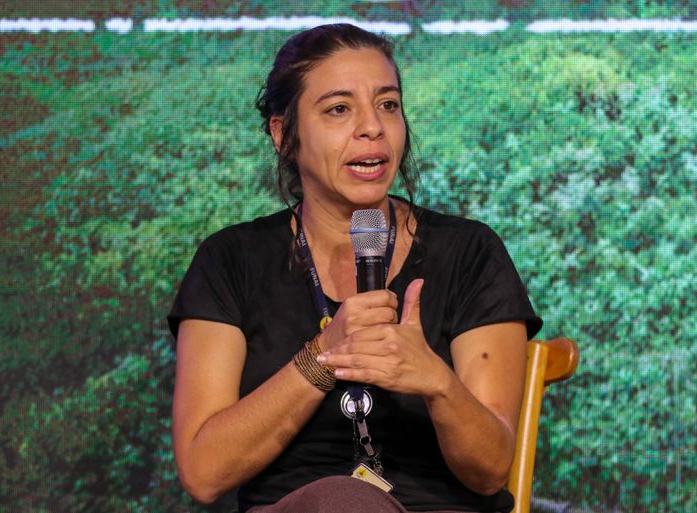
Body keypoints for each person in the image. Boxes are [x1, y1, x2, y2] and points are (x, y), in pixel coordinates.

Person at [168, 23, 542, 513]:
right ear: (284, 134)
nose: (373, 127)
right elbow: (203, 472)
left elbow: (490, 470)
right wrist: (324, 355)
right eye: (339, 109)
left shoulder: (469, 251)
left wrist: (437, 382)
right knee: (346, 500)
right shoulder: (231, 260)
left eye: (388, 104)